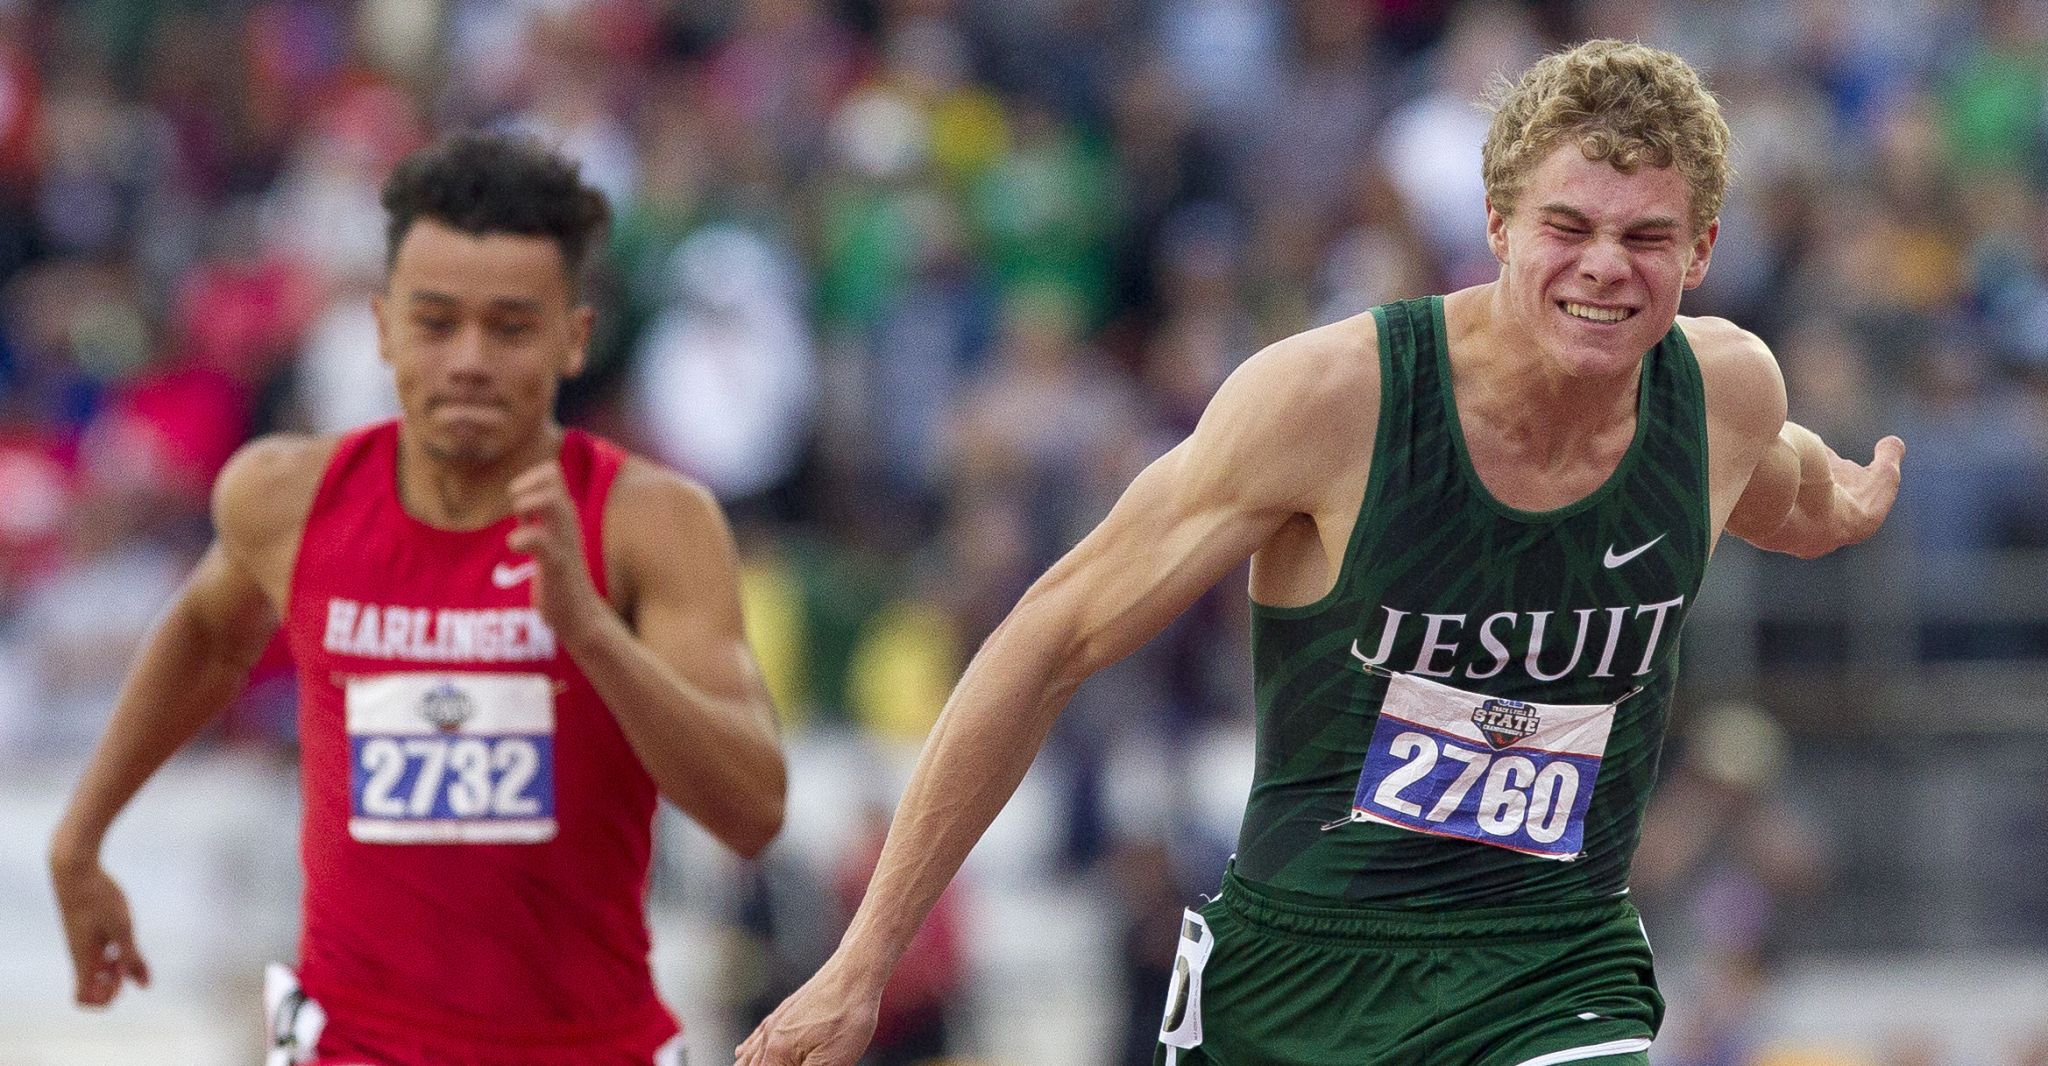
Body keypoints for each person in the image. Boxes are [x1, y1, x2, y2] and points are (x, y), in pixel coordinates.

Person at [736, 40, 1904, 1066]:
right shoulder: (1330, 401)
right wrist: (863, 956)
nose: (1605, 266)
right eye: (1567, 227)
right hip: (1302, 973)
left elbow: (1786, 486)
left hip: (1557, 959)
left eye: (1645, 237)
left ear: (1698, 251)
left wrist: (1838, 511)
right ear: (1494, 226)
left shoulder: (1726, 393)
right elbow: (1046, 639)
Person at [48, 132, 787, 1066]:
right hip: (349, 1046)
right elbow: (206, 635)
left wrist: (590, 634)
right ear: (383, 325)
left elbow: (752, 809)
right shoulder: (286, 497)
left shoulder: (649, 523)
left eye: (510, 326)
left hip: (590, 1047)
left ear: (574, 337)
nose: (469, 360)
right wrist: (83, 835)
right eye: (436, 323)